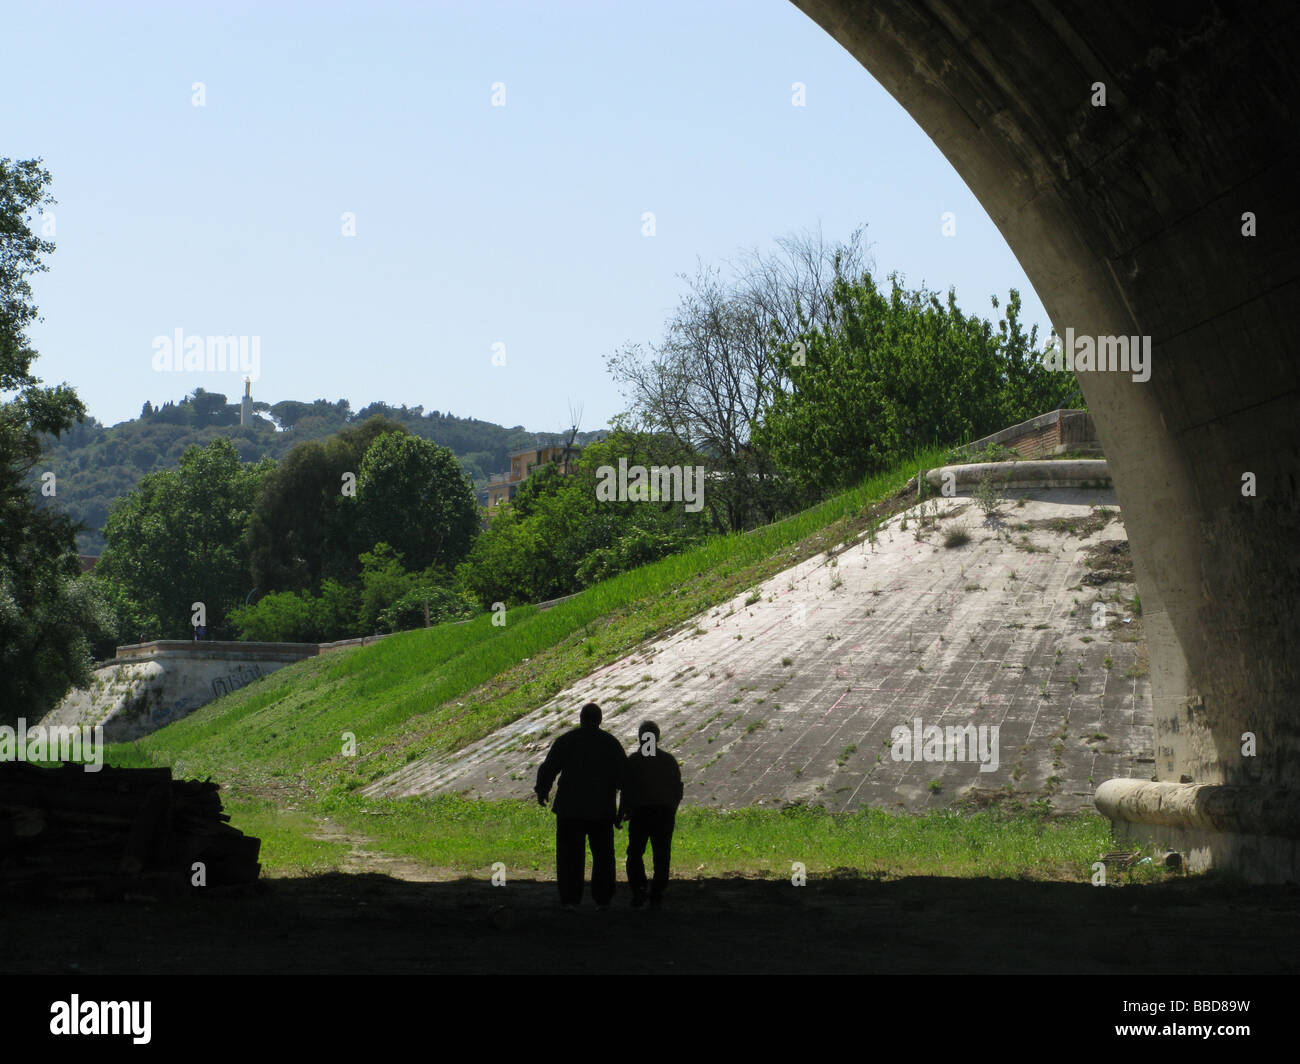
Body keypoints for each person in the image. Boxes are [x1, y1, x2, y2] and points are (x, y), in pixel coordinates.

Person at [534, 702, 627, 909]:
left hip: (570, 809)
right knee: (603, 857)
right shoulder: (611, 743)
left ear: (581, 719)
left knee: (569, 857)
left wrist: (542, 790)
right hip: (601, 810)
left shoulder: (567, 740)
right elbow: (624, 779)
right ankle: (603, 899)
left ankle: (570, 899)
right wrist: (623, 809)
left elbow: (549, 768)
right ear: (600, 720)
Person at [618, 719, 683, 909]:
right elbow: (677, 790)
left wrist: (621, 812)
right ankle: (657, 893)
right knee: (661, 854)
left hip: (640, 813)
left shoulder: (634, 761)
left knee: (635, 853)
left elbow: (626, 790)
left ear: (640, 738)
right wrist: (671, 809)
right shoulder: (668, 760)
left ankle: (639, 890)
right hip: (663, 813)